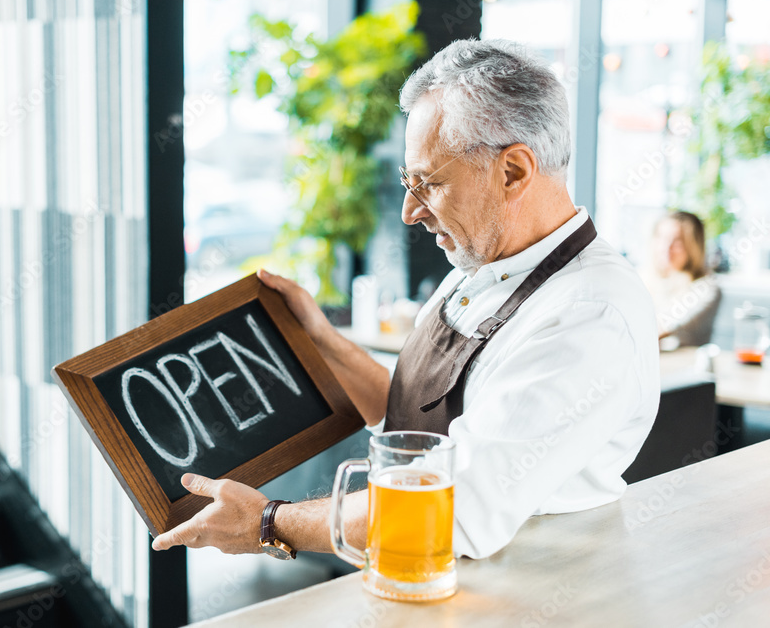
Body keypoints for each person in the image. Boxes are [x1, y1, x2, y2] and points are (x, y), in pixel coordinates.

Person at [152, 39, 660, 560]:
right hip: (419, 576)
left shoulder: (589, 313)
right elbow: (417, 420)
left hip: (515, 592)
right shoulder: (482, 265)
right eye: (406, 180)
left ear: (513, 171)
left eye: (428, 183)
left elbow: (452, 510)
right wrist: (321, 340)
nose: (408, 212)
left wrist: (268, 521)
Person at [640, 211, 721, 348]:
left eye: (677, 241)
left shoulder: (705, 288)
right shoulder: (643, 277)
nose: (666, 247)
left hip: (683, 365)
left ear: (693, 247)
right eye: (661, 237)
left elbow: (662, 327)